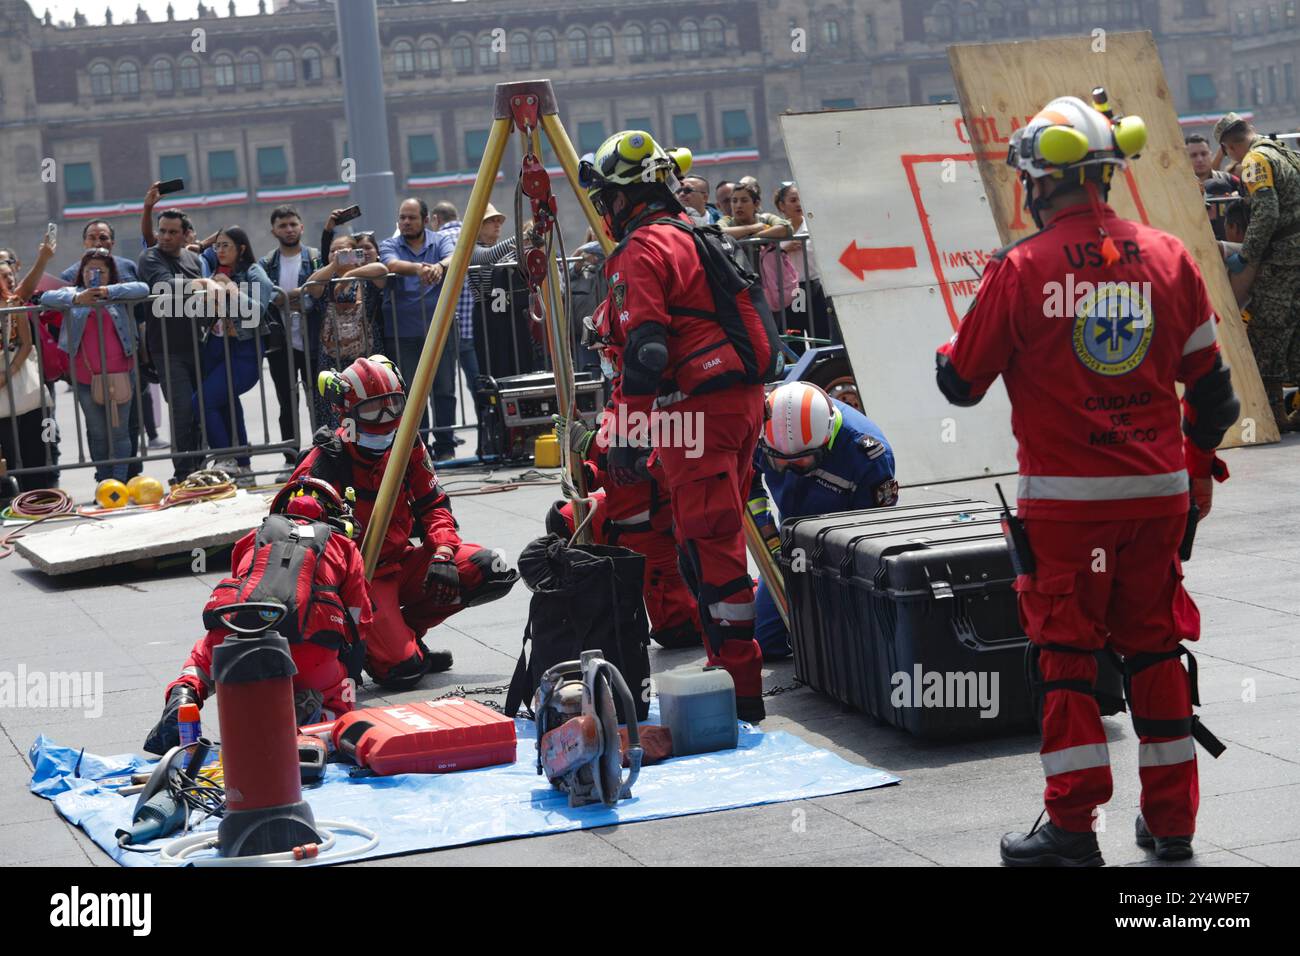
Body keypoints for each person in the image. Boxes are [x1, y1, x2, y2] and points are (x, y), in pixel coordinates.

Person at [935, 95, 1237, 866]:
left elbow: (960, 385)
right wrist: (1194, 466)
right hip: (1159, 501)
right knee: (1156, 650)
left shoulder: (1020, 270)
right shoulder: (1169, 257)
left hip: (1068, 514)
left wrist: (958, 344)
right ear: (1104, 174)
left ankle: (1072, 828)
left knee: (1067, 658)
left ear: (1039, 182)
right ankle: (1172, 823)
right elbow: (1215, 397)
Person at [580, 130, 779, 721]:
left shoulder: (641, 248)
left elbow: (647, 350)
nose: (604, 210)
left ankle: (741, 690)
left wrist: (628, 434)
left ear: (625, 196)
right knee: (706, 542)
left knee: (711, 549)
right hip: (737, 405)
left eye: (606, 198)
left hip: (693, 415)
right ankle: (728, 669)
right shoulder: (698, 231)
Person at [291, 355, 518, 686]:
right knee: (404, 671)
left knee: (491, 568)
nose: (385, 418)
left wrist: (442, 552)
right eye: (373, 409)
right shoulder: (326, 460)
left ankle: (406, 634)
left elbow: (435, 504)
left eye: (393, 406)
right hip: (361, 579)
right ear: (345, 412)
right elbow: (294, 536)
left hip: (401, 561)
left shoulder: (407, 443)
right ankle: (380, 646)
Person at [142, 476, 372, 754]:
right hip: (309, 649)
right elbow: (359, 619)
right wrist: (348, 667)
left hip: (238, 635)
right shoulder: (343, 546)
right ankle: (311, 719)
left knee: (202, 659)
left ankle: (184, 696)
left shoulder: (254, 536)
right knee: (342, 710)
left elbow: (243, 584)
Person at [549, 300, 702, 649]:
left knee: (677, 628)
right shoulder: (622, 392)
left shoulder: (664, 390)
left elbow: (642, 458)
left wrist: (589, 444)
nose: (603, 358)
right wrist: (582, 473)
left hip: (657, 527)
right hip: (622, 515)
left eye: (606, 350)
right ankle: (605, 614)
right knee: (565, 518)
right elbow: (609, 464)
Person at [749, 381, 897, 660]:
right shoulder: (762, 431)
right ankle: (760, 588)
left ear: (827, 440)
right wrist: (769, 537)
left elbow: (873, 538)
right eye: (781, 462)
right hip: (793, 539)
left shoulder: (868, 456)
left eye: (801, 462)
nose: (791, 470)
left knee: (845, 640)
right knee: (766, 642)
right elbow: (747, 483)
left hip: (843, 550)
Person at [1215, 112, 1300, 432]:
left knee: (1266, 332)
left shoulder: (1254, 161)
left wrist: (1248, 255)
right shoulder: (1286, 153)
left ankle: (1273, 415)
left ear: (1229, 147)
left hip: (1281, 261)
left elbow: (1266, 212)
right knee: (1296, 331)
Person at [42, 251, 149, 484]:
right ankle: (104, 483)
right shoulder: (73, 294)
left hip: (122, 373)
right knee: (98, 433)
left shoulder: (118, 293)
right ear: (81, 272)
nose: (95, 275)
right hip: (85, 378)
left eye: (101, 270)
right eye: (90, 270)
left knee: (120, 433)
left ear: (111, 273)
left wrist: (109, 291)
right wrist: (77, 299)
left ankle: (118, 484)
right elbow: (46, 298)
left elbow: (143, 289)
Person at [193, 227, 274, 483]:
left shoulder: (253, 272)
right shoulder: (212, 272)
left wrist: (232, 290)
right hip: (216, 349)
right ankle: (243, 467)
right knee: (227, 405)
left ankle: (225, 457)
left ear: (241, 248)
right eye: (217, 246)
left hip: (244, 351)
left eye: (226, 245)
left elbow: (257, 311)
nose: (220, 251)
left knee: (202, 401)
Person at [378, 198, 457, 458]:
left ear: (425, 220)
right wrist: (421, 269)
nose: (406, 222)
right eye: (402, 217)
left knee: (444, 389)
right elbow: (391, 264)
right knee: (411, 393)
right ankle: (419, 451)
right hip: (403, 334)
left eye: (411, 218)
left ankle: (446, 446)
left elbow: (454, 257)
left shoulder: (439, 240)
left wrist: (440, 266)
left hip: (440, 330)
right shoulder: (390, 244)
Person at [136, 208, 207, 483]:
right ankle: (183, 471)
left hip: (198, 344)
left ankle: (201, 466)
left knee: (201, 408)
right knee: (181, 409)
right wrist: (201, 283)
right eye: (162, 231)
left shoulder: (194, 259)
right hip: (167, 348)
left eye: (172, 232)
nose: (165, 237)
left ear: (185, 235)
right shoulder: (150, 257)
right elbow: (163, 284)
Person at [256, 206, 322, 471]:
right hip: (280, 342)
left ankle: (322, 452)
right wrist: (293, 296)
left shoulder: (314, 258)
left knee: (317, 399)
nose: (289, 229)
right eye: (283, 225)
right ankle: (291, 456)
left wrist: (289, 297)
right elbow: (267, 295)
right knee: (287, 400)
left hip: (312, 340)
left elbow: (316, 293)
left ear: (301, 227)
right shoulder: (266, 263)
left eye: (293, 224)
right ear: (274, 231)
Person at [302, 234, 388, 429]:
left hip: (366, 354)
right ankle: (336, 442)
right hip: (331, 356)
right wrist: (334, 265)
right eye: (332, 251)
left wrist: (350, 273)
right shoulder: (327, 279)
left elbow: (382, 270)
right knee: (334, 405)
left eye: (342, 250)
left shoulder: (365, 276)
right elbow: (311, 287)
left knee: (369, 402)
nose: (337, 253)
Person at [773, 181, 838, 341]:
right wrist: (784, 249)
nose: (798, 204)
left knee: (821, 335)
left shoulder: (813, 227)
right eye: (793, 200)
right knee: (795, 338)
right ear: (782, 205)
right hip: (792, 292)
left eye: (801, 199)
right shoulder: (774, 231)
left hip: (814, 287)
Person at [58, 220, 139, 284]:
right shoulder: (69, 275)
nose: (98, 244)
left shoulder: (128, 267)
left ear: (112, 242)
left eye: (103, 238)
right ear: (84, 242)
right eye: (92, 238)